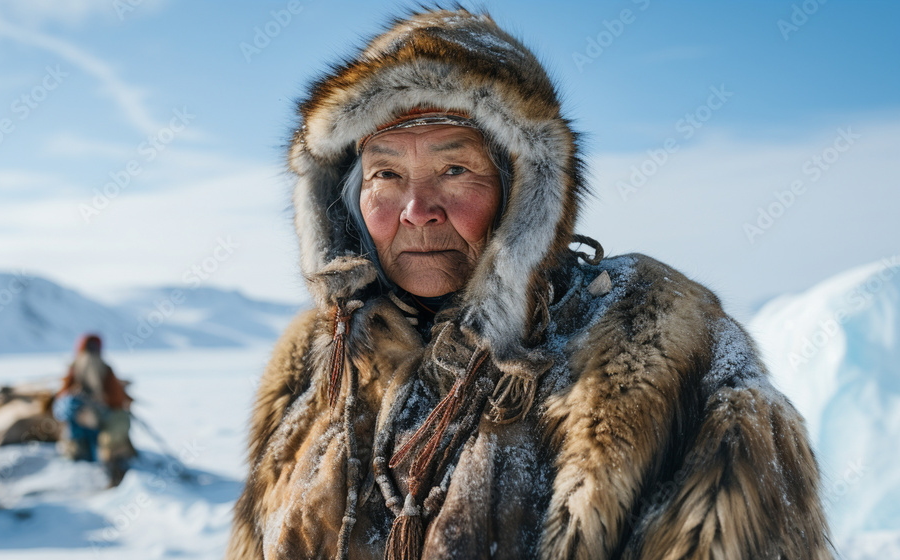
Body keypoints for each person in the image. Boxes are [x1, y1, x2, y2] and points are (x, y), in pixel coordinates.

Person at [228, 8, 831, 559]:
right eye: (385, 172)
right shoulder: (319, 364)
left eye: (454, 168)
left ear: (526, 193)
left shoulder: (663, 363)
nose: (416, 209)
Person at [54, 333, 135, 486]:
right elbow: (117, 400)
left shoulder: (78, 368)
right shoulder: (98, 368)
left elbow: (62, 395)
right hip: (90, 416)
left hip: (95, 416)